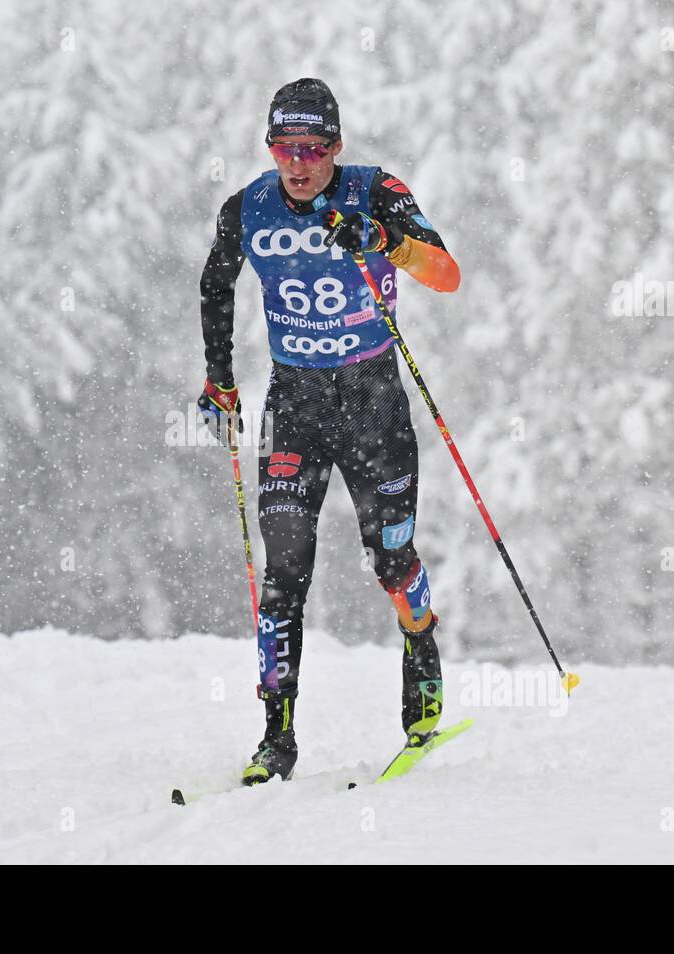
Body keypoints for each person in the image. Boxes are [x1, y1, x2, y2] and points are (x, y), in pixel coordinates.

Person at [197, 77, 461, 784]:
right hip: (297, 407)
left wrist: (384, 241)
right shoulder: (248, 207)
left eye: (314, 149)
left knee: (392, 562)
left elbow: (446, 273)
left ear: (336, 147)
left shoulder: (376, 190)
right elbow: (216, 284)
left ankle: (421, 647)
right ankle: (275, 736)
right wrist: (218, 380)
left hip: (374, 400)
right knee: (282, 573)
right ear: (272, 149)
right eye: (287, 149)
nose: (300, 164)